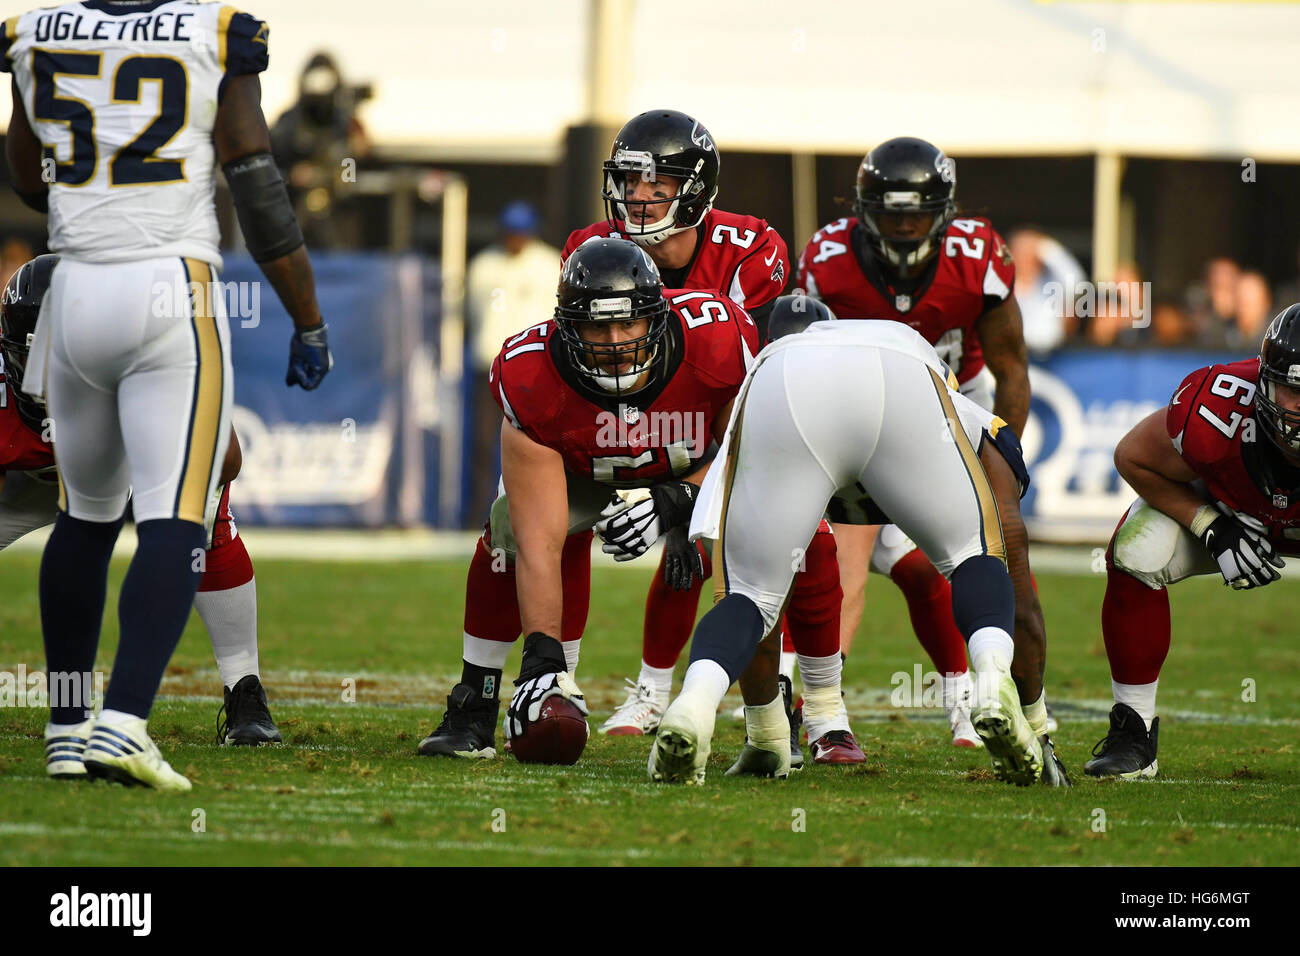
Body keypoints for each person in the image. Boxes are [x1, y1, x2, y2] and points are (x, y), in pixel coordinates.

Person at [4, 0, 331, 790]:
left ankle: (67, 728)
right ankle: (123, 724)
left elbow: (23, 175)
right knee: (175, 518)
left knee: (83, 519)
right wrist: (307, 315)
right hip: (170, 286)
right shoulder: (214, 30)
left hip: (73, 285)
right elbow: (254, 176)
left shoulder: (32, 30)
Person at [650, 318, 1064, 787]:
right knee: (977, 556)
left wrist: (767, 735)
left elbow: (767, 578)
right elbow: (1016, 580)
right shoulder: (967, 415)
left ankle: (694, 706)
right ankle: (990, 676)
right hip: (903, 376)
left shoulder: (774, 363)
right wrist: (1036, 726)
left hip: (783, 381)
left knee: (750, 596)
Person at [416, 238, 758, 760]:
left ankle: (803, 715)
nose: (615, 342)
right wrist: (541, 659)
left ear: (658, 319)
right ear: (567, 328)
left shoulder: (717, 342)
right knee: (508, 533)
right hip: (579, 466)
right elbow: (539, 543)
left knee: (787, 534)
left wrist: (682, 502)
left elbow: (747, 454)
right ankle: (477, 703)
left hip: (688, 468)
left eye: (628, 324)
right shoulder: (532, 374)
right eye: (597, 327)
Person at [562, 110, 814, 741]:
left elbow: (749, 385)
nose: (639, 196)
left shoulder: (752, 248)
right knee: (548, 522)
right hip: (630, 416)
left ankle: (803, 696)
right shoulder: (588, 247)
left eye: (658, 182)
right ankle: (556, 685)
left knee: (767, 540)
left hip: (728, 421)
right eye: (630, 180)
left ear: (696, 188)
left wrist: (689, 491)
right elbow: (586, 360)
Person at [797, 136, 1034, 747]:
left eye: (917, 212)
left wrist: (1002, 457)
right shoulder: (827, 259)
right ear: (864, 209)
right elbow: (802, 357)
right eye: (892, 211)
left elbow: (1010, 370)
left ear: (943, 210)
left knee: (990, 550)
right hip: (863, 412)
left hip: (956, 406)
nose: (904, 226)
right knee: (849, 559)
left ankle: (1014, 704)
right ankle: (820, 706)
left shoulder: (977, 254)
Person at [0, 257, 282, 753]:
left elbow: (225, 458)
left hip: (122, 466)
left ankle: (245, 690)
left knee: (205, 511)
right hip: (21, 482)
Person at [1087, 305, 1300, 779]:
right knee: (1135, 552)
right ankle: (1134, 735)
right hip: (1231, 510)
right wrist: (1209, 525)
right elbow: (1132, 458)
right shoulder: (1217, 410)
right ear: (1264, 384)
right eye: (1293, 390)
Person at [464, 201, 562, 526]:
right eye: (510, 233)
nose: (514, 240)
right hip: (491, 365)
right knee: (482, 445)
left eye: (520, 234)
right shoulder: (484, 265)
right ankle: (480, 518)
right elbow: (476, 314)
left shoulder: (549, 264)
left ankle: (538, 516)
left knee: (539, 445)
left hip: (536, 369)